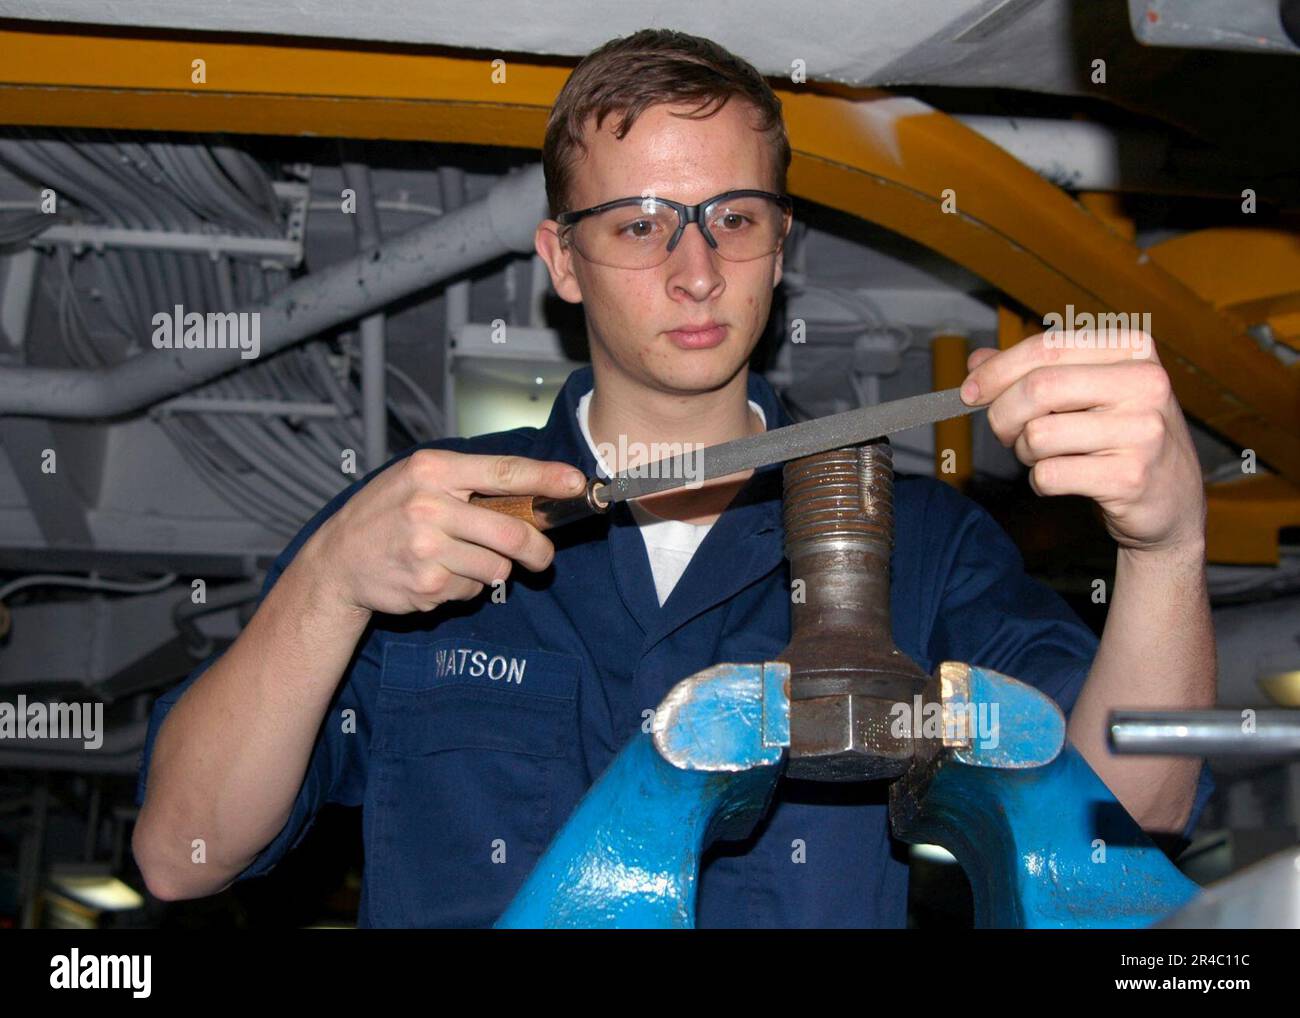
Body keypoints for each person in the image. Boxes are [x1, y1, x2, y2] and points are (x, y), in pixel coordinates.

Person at [133, 28, 1215, 928]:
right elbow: (185, 853)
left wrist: (1164, 549)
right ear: (561, 259)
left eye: (732, 219)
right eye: (639, 224)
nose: (694, 270)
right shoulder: (420, 529)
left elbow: (1129, 816)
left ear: (780, 241)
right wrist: (326, 582)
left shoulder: (924, 544)